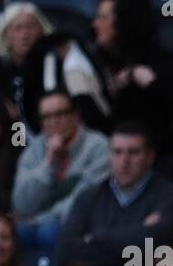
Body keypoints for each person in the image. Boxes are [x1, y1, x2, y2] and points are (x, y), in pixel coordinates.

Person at [56, 120, 173, 266]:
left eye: (133, 152)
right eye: (117, 152)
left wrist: (94, 238)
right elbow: (67, 249)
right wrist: (140, 236)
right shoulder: (89, 197)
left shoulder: (171, 196)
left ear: (150, 157)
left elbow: (159, 242)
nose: (124, 161)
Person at [90, 0, 173, 151]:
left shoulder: (158, 57)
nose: (95, 24)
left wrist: (141, 77)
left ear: (123, 22)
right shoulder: (95, 59)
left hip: (153, 152)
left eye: (102, 17)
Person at [12, 91, 111, 251]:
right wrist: (49, 164)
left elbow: (83, 199)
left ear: (76, 116)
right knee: (18, 234)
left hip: (86, 223)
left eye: (61, 114)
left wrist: (39, 220)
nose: (54, 121)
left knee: (48, 232)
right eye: (47, 117)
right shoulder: (34, 150)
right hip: (40, 222)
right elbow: (22, 205)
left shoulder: (98, 146)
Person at [0, 3, 51, 123]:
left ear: (42, 32)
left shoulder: (51, 63)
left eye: (30, 27)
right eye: (18, 28)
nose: (25, 35)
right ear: (6, 35)